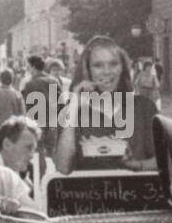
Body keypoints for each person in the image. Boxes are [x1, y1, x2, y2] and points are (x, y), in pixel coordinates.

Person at [54, 35, 159, 174]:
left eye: (113, 64)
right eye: (98, 65)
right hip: (87, 193)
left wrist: (137, 164)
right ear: (88, 70)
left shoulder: (144, 107)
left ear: (122, 67)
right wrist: (74, 103)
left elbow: (165, 159)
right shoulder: (73, 111)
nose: (107, 71)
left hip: (135, 191)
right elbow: (62, 166)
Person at [21, 55, 60, 155]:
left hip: (36, 123)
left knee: (38, 152)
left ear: (33, 67)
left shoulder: (29, 84)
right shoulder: (54, 81)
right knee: (52, 151)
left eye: (28, 66)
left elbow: (26, 107)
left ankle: (42, 170)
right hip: (53, 122)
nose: (27, 68)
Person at [0, 68, 26, 134]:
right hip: (14, 130)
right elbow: (22, 113)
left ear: (0, 79)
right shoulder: (17, 94)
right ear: (12, 79)